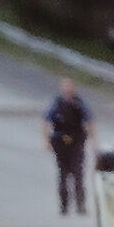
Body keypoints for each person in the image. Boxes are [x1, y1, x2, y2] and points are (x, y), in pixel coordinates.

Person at [42, 77, 91, 215]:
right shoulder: (56, 104)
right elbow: (45, 121)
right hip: (60, 144)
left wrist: (93, 141)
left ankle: (81, 206)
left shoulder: (79, 104)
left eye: (69, 86)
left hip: (76, 143)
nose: (67, 89)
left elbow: (89, 121)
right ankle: (64, 207)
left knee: (78, 175)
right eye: (65, 86)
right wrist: (46, 141)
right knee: (63, 176)